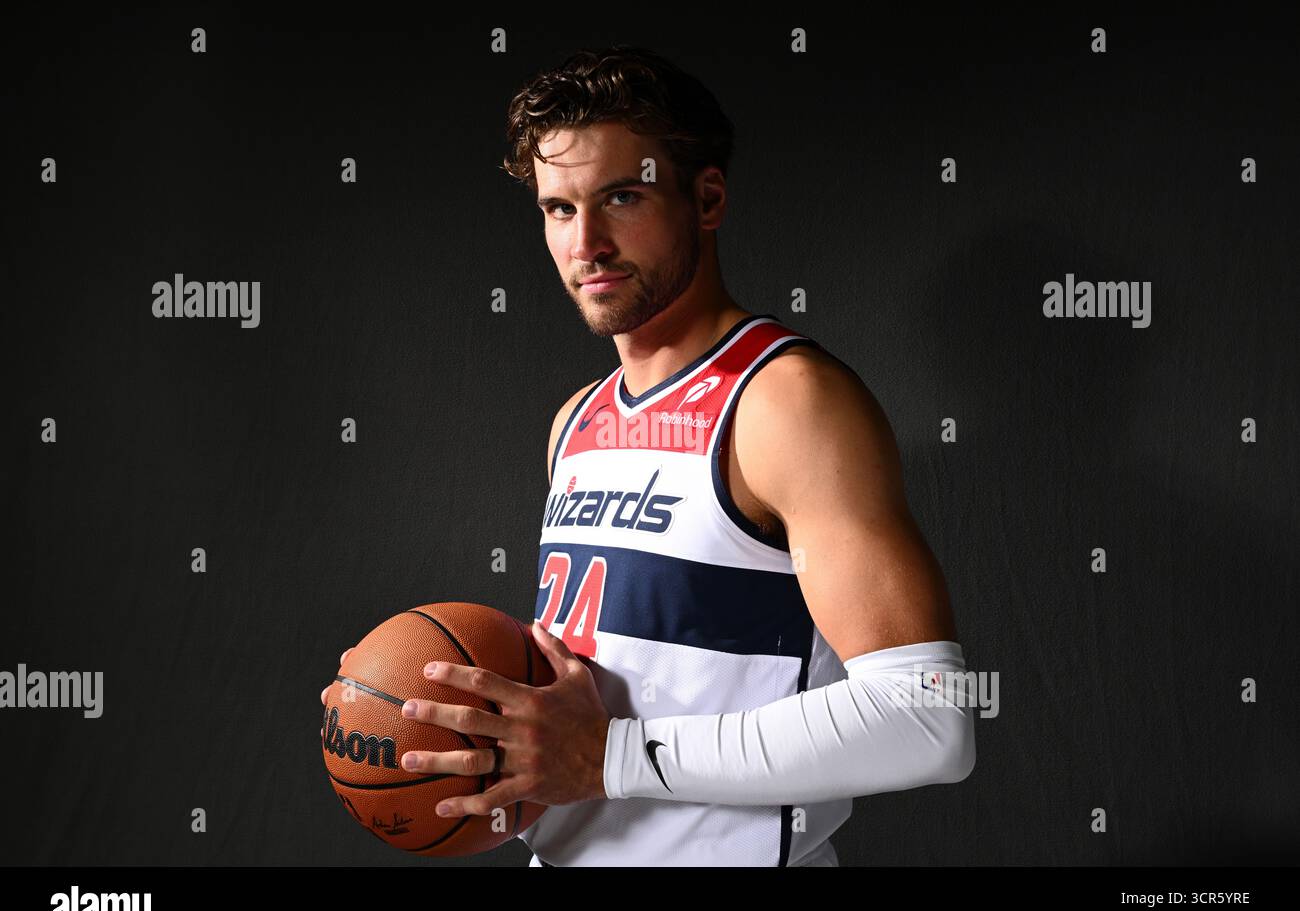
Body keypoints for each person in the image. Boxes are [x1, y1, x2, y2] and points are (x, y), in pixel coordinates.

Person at [323, 46, 975, 866]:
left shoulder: (784, 403)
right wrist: (414, 691)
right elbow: (613, 680)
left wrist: (612, 758)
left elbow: (925, 718)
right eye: (559, 209)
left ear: (706, 198)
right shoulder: (578, 420)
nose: (585, 242)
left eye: (621, 197)